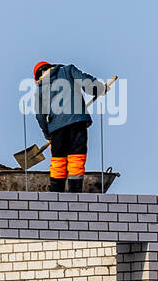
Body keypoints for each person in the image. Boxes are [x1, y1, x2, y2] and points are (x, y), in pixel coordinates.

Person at [31, 61, 107, 193]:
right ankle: (75, 193)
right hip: (77, 123)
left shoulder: (39, 90)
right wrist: (100, 88)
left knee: (58, 160)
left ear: (37, 78)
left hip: (56, 129)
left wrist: (47, 133)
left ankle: (56, 193)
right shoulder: (67, 70)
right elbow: (89, 84)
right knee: (77, 158)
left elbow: (40, 116)